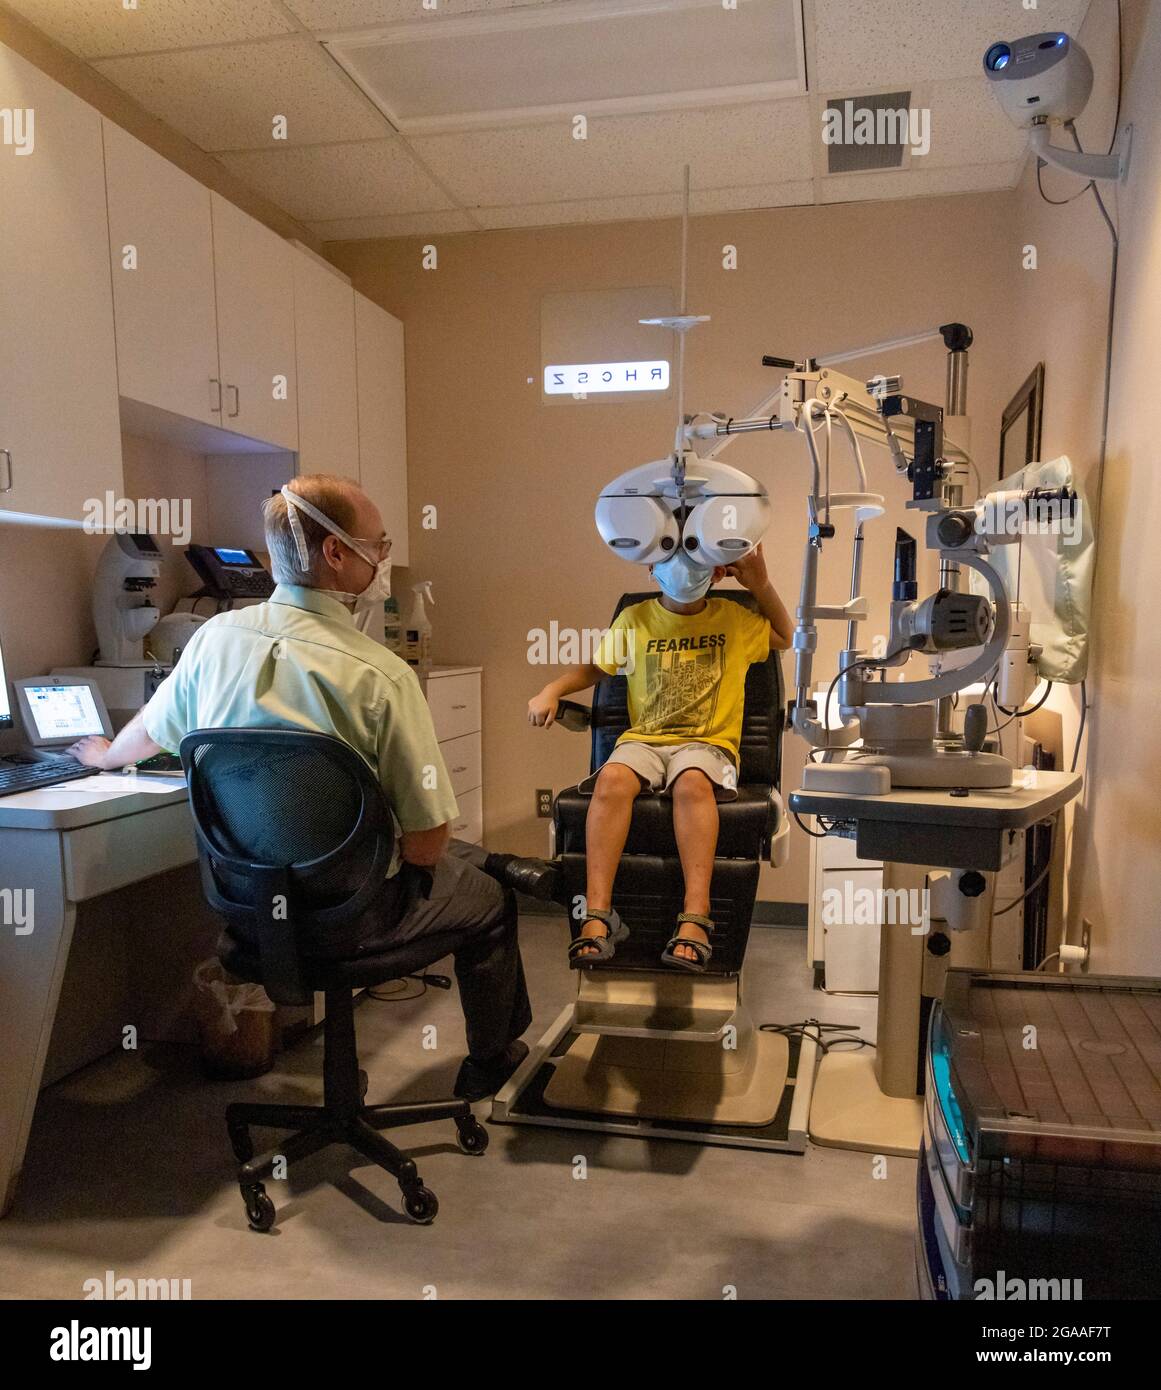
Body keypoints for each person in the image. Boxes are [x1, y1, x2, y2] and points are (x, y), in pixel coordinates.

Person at [70, 475, 553, 1100]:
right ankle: (492, 1057)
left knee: (450, 860)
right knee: (485, 897)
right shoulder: (379, 674)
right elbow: (429, 844)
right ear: (335, 553)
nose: (381, 557)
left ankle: (503, 867)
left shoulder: (209, 641)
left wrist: (107, 754)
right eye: (376, 545)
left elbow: (147, 734)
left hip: (246, 908)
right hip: (350, 916)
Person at [528, 542, 792, 971]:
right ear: (651, 566)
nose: (683, 569)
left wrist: (761, 585)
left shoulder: (734, 620)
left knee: (691, 782)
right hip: (644, 740)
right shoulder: (635, 620)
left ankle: (697, 917)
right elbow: (595, 669)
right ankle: (597, 916)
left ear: (719, 572)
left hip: (708, 745)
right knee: (612, 779)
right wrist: (551, 691)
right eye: (671, 557)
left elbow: (785, 636)